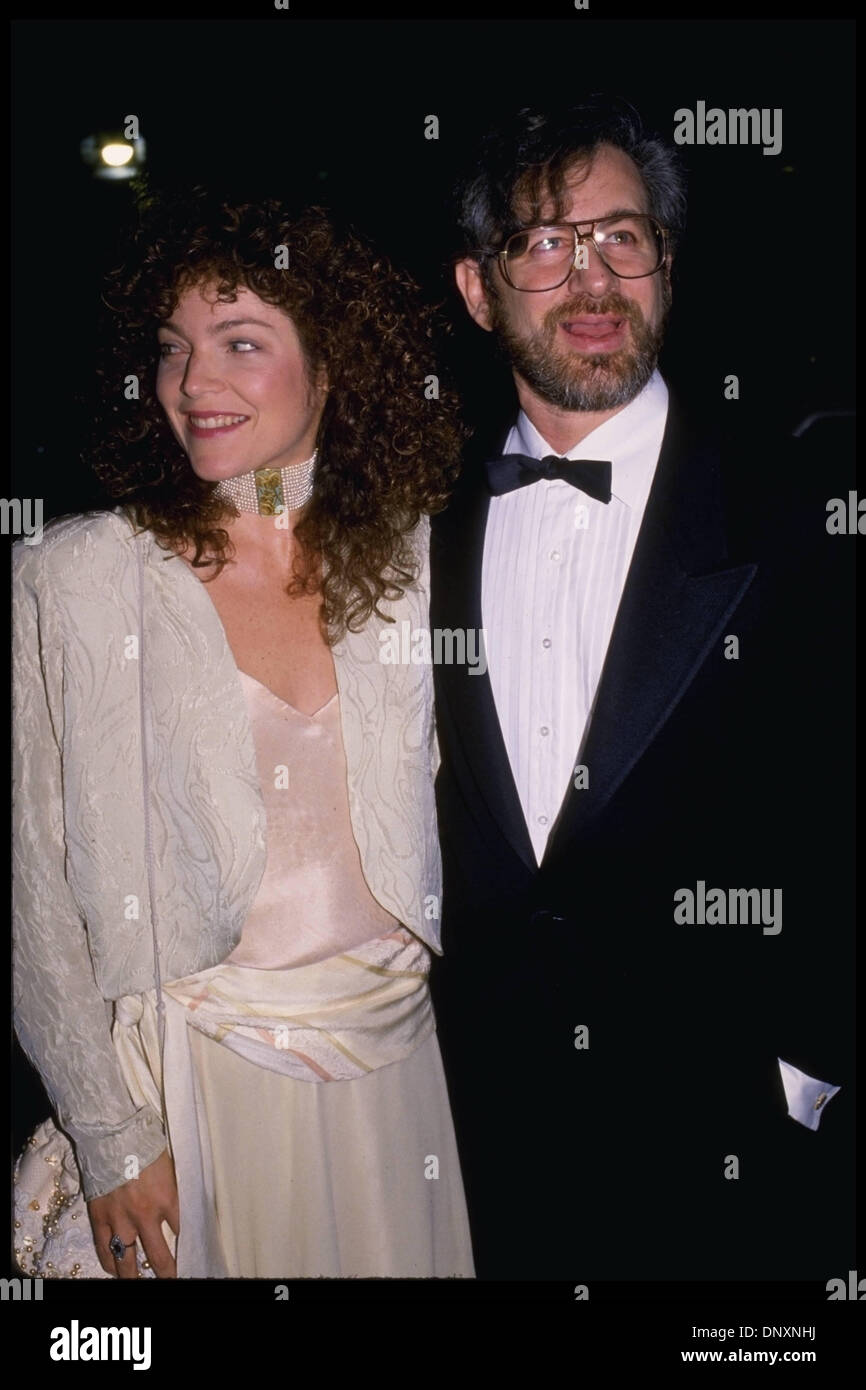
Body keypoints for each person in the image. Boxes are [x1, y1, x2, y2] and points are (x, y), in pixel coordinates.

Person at [12, 186, 474, 1279]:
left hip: (393, 1067)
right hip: (191, 1084)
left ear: (330, 364)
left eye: (240, 343)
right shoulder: (78, 576)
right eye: (174, 349)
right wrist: (110, 1133)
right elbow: (28, 880)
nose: (193, 383)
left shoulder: (415, 558)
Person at [429, 97, 855, 1281]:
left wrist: (806, 1066)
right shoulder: (410, 531)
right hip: (470, 1145)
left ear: (665, 263)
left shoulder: (803, 515)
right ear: (477, 289)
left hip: (724, 1150)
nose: (593, 278)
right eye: (545, 244)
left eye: (623, 236)